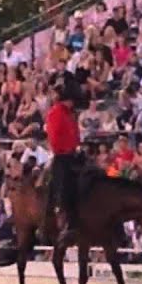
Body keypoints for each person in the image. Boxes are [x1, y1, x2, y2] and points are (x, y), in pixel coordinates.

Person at [45, 80, 82, 242]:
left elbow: (75, 134)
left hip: (73, 154)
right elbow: (54, 138)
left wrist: (77, 148)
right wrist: (65, 150)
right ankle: (65, 218)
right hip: (62, 156)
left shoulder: (70, 114)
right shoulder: (55, 113)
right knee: (64, 186)